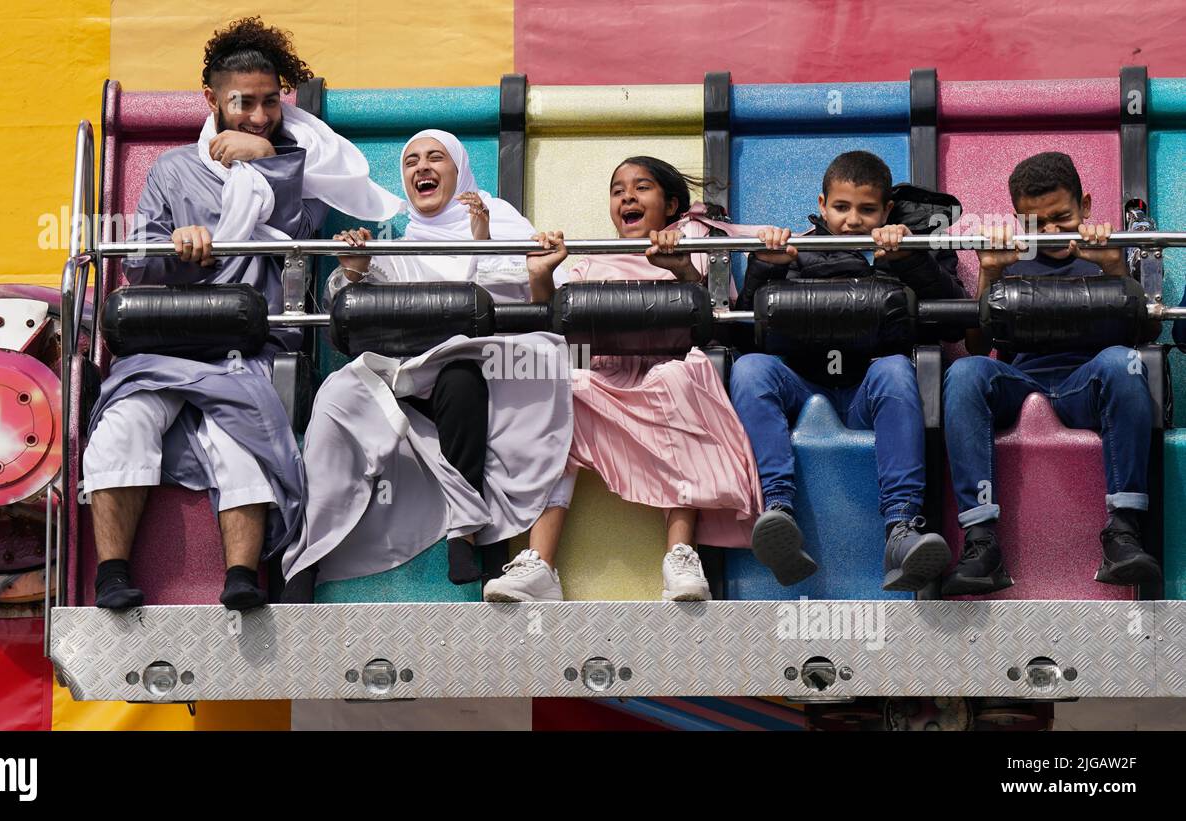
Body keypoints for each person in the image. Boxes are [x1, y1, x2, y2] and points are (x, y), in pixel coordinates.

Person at [82, 17, 402, 610]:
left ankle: (241, 578)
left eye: (270, 103)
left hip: (244, 350)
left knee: (241, 445)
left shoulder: (297, 166)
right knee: (120, 428)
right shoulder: (173, 170)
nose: (259, 117)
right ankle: (112, 574)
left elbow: (298, 233)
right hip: (164, 346)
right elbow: (138, 268)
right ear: (211, 100)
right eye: (244, 104)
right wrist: (178, 243)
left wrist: (268, 160)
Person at [281, 129, 574, 601]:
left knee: (459, 377)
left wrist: (482, 246)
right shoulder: (399, 244)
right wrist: (355, 270)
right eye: (411, 160)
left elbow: (528, 308)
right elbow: (354, 316)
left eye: (436, 157)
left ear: (459, 172)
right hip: (403, 374)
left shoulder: (502, 225)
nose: (422, 167)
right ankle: (307, 559)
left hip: (482, 374)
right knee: (335, 395)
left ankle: (467, 533)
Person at [481, 156, 762, 603]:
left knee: (681, 378)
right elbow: (559, 335)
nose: (627, 196)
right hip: (605, 373)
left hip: (664, 370)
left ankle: (682, 555)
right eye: (618, 190)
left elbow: (715, 322)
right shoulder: (589, 260)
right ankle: (539, 565)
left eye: (642, 187)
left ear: (671, 204)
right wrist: (541, 277)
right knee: (559, 390)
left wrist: (680, 268)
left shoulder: (694, 250)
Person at [728, 150, 965, 592]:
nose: (853, 220)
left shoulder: (911, 248)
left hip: (864, 394)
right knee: (750, 370)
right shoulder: (794, 252)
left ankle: (900, 529)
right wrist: (763, 269)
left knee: (895, 369)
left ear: (887, 210)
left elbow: (954, 323)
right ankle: (777, 511)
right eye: (841, 207)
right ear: (821, 205)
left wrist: (908, 259)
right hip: (801, 391)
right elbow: (744, 338)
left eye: (867, 209)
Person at [942, 151, 1161, 594]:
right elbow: (980, 346)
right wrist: (989, 275)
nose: (1052, 231)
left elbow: (1145, 332)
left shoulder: (1108, 253)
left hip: (1088, 385)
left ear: (1086, 205)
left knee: (1125, 362)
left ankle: (1123, 534)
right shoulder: (1009, 260)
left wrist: (1113, 267)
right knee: (965, 374)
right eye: (1035, 224)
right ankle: (981, 543)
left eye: (1062, 216)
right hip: (1023, 386)